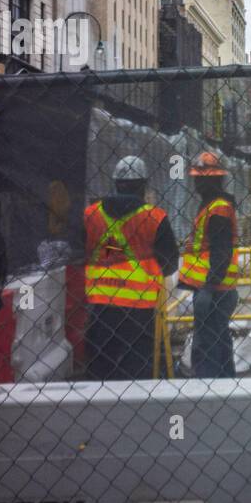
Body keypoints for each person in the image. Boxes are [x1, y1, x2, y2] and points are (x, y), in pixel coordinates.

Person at [84, 155, 178, 380]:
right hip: (139, 309)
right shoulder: (154, 217)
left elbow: (81, 251)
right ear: (143, 185)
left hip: (100, 306)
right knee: (137, 370)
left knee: (100, 369)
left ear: (115, 183)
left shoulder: (91, 214)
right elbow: (170, 261)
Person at [180, 151, 240, 378]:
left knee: (206, 344)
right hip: (215, 288)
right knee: (219, 340)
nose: (196, 183)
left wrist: (208, 286)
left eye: (199, 178)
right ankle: (225, 385)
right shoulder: (211, 205)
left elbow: (220, 251)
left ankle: (209, 388)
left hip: (214, 289)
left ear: (212, 179)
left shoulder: (218, 208)